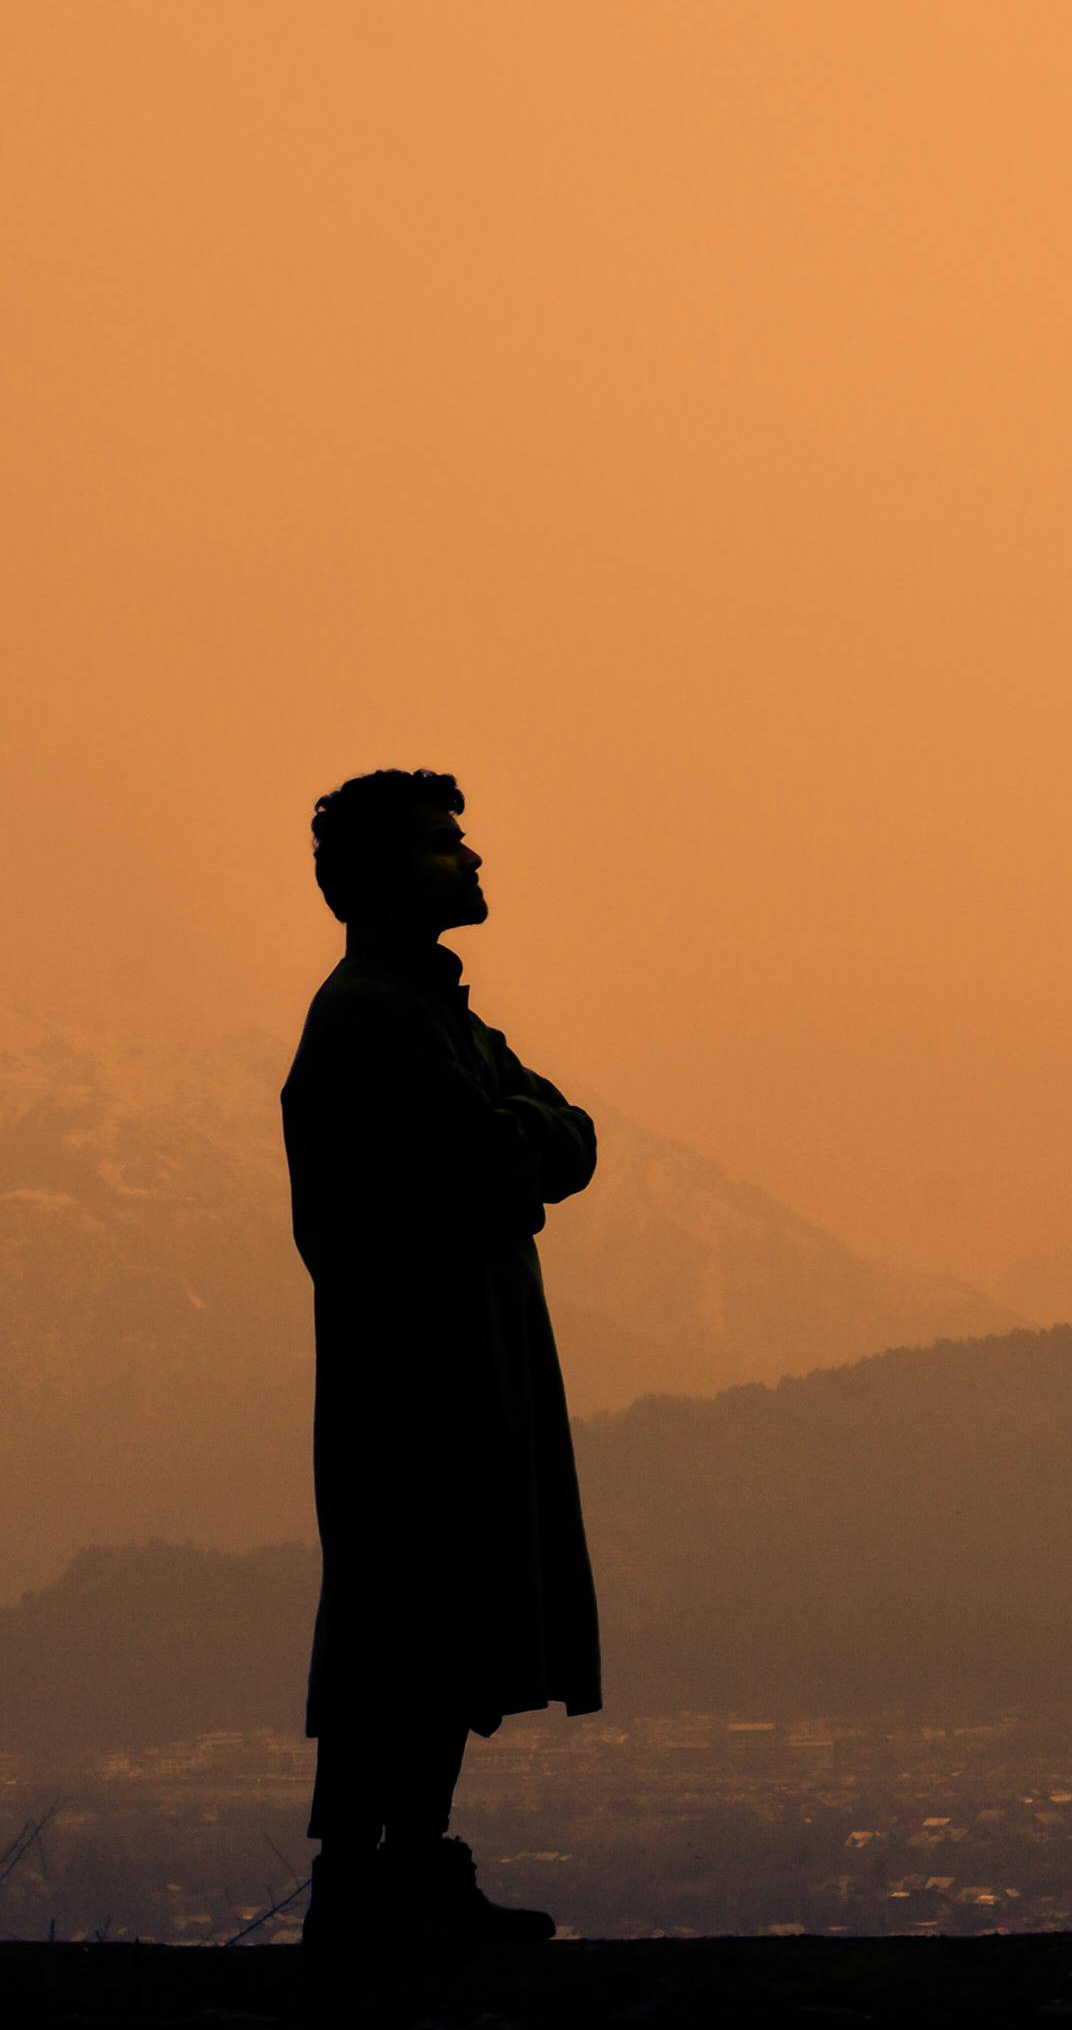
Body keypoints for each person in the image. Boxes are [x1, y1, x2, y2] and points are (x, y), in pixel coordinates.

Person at [280, 769, 601, 1962]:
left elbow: (565, 1137)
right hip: (415, 1378)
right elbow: (503, 1155)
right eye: (441, 848)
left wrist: (525, 1143)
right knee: (404, 1624)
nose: (471, 865)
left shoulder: (438, 1012)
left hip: (456, 1362)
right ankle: (375, 1878)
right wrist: (522, 1146)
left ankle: (400, 1866)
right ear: (370, 878)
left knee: (435, 1620)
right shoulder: (372, 1016)